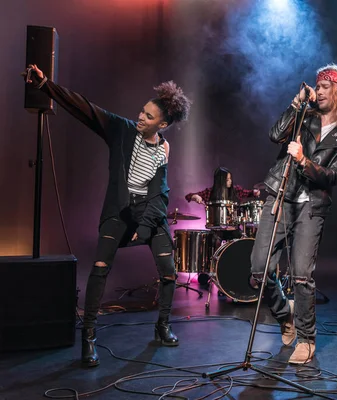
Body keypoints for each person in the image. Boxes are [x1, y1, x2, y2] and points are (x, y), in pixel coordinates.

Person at [24, 64, 192, 367]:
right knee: (100, 267)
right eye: (142, 111)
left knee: (169, 272)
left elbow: (160, 190)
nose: (141, 116)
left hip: (150, 212)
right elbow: (86, 109)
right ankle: (88, 339)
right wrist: (47, 85)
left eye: (149, 116)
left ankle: (163, 326)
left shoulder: (164, 148)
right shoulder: (122, 129)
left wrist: (145, 225)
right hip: (119, 209)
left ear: (163, 125)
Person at [250, 64, 337, 364]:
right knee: (259, 271)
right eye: (317, 86)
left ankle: (306, 338)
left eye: (325, 86)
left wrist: (302, 161)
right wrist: (296, 103)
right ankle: (285, 316)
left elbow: (331, 177)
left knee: (301, 274)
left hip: (312, 204)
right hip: (280, 197)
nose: (319, 91)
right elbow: (275, 135)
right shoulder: (303, 117)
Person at [184, 167, 260, 204]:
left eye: (230, 179)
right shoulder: (210, 192)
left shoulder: (236, 190)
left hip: (233, 227)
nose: (230, 181)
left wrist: (254, 192)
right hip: (216, 228)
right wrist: (196, 196)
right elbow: (188, 196)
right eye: (227, 180)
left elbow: (248, 193)